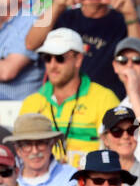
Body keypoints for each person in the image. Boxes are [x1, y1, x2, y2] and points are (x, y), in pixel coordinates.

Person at [28, 0, 140, 98]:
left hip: (107, 102)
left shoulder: (124, 20)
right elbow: (31, 43)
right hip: (62, 101)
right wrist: (58, 4)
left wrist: (130, 15)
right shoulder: (64, 17)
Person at [19, 28, 122, 169]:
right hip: (46, 180)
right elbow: (21, 152)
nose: (52, 65)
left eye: (60, 58)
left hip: (90, 179)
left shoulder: (104, 98)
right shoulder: (32, 102)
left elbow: (118, 151)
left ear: (78, 60)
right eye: (47, 58)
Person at [6, 113, 77, 186]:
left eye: (40, 143)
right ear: (18, 149)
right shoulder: (6, 179)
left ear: (51, 145)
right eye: (27, 145)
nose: (35, 151)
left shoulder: (71, 178)